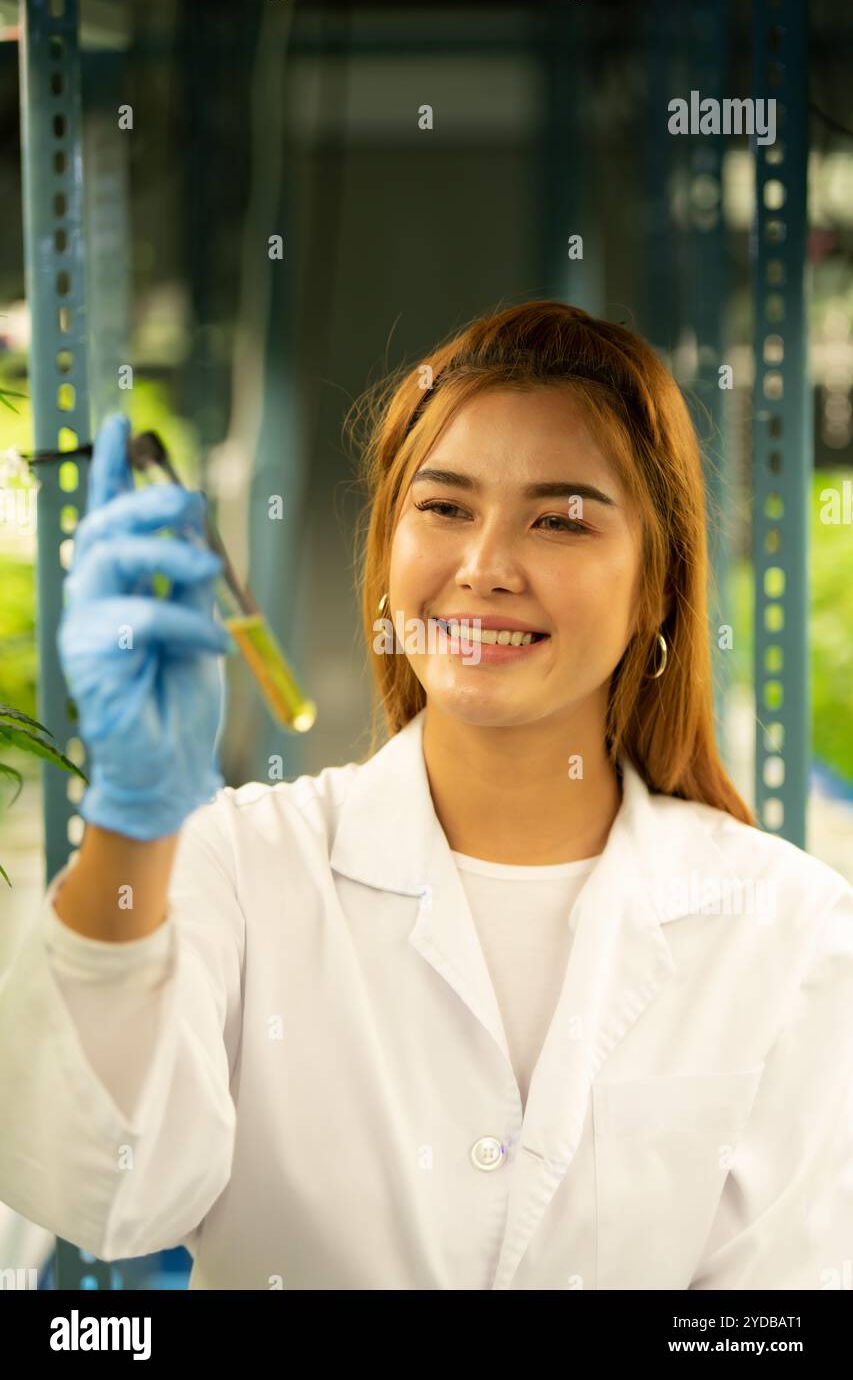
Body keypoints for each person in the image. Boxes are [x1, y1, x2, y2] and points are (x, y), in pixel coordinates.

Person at [1, 300, 851, 1291]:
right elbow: (96, 1185)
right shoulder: (241, 863)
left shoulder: (787, 926)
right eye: (443, 508)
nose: (484, 567)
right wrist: (130, 821)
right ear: (387, 554)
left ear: (656, 587)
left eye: (560, 518)